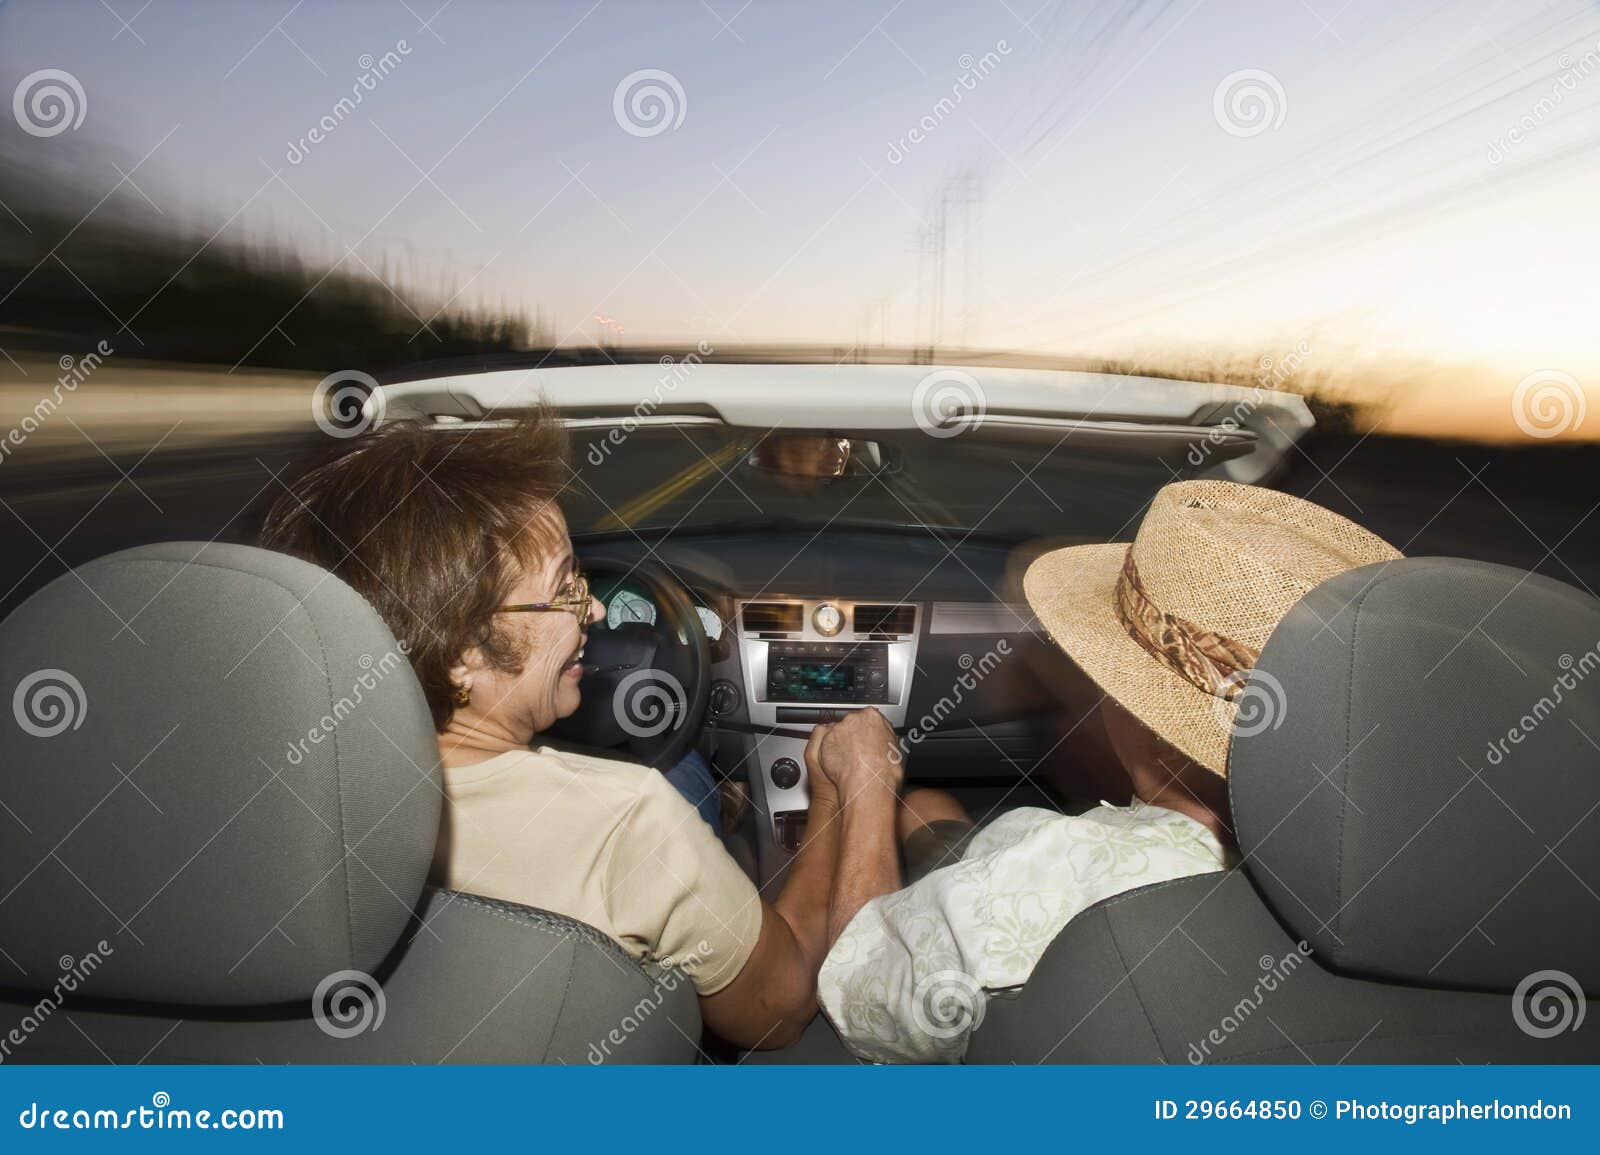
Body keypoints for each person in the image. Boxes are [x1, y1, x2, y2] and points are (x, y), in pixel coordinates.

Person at [258, 411, 899, 1050]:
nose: (592, 607)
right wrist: (842, 790)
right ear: (462, 653)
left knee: (684, 774)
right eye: (564, 587)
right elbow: (780, 1011)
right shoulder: (625, 821)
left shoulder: (268, 806)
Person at [813, 479, 1404, 1062]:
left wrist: (866, 783)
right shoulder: (1420, 881)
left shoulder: (1059, 875)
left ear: (1144, 716)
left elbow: (858, 989)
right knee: (931, 810)